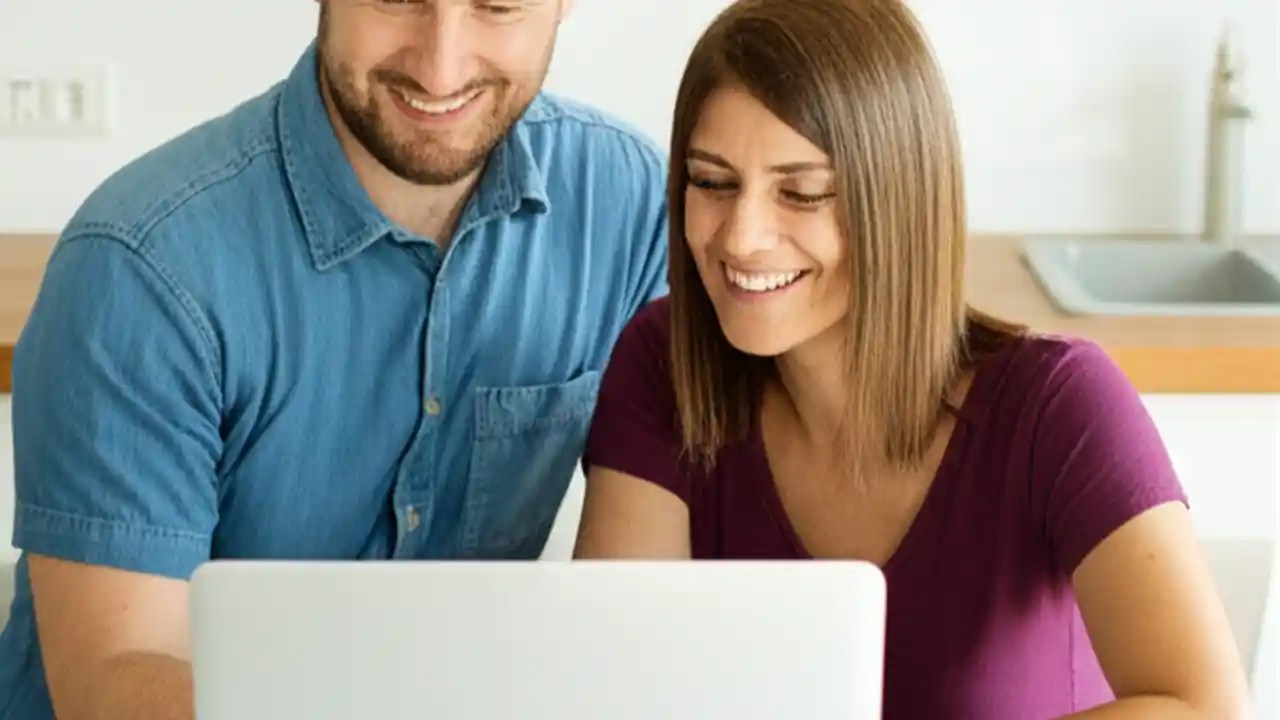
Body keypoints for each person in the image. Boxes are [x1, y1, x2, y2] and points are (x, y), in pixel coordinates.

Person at [573, 0, 1251, 717]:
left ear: (895, 197)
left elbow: (1203, 707)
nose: (741, 238)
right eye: (712, 182)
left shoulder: (1060, 407)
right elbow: (621, 687)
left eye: (801, 192)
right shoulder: (663, 362)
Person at [0, 1, 668, 718]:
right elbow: (116, 681)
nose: (441, 64)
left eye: (496, 6)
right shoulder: (141, 268)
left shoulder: (625, 206)